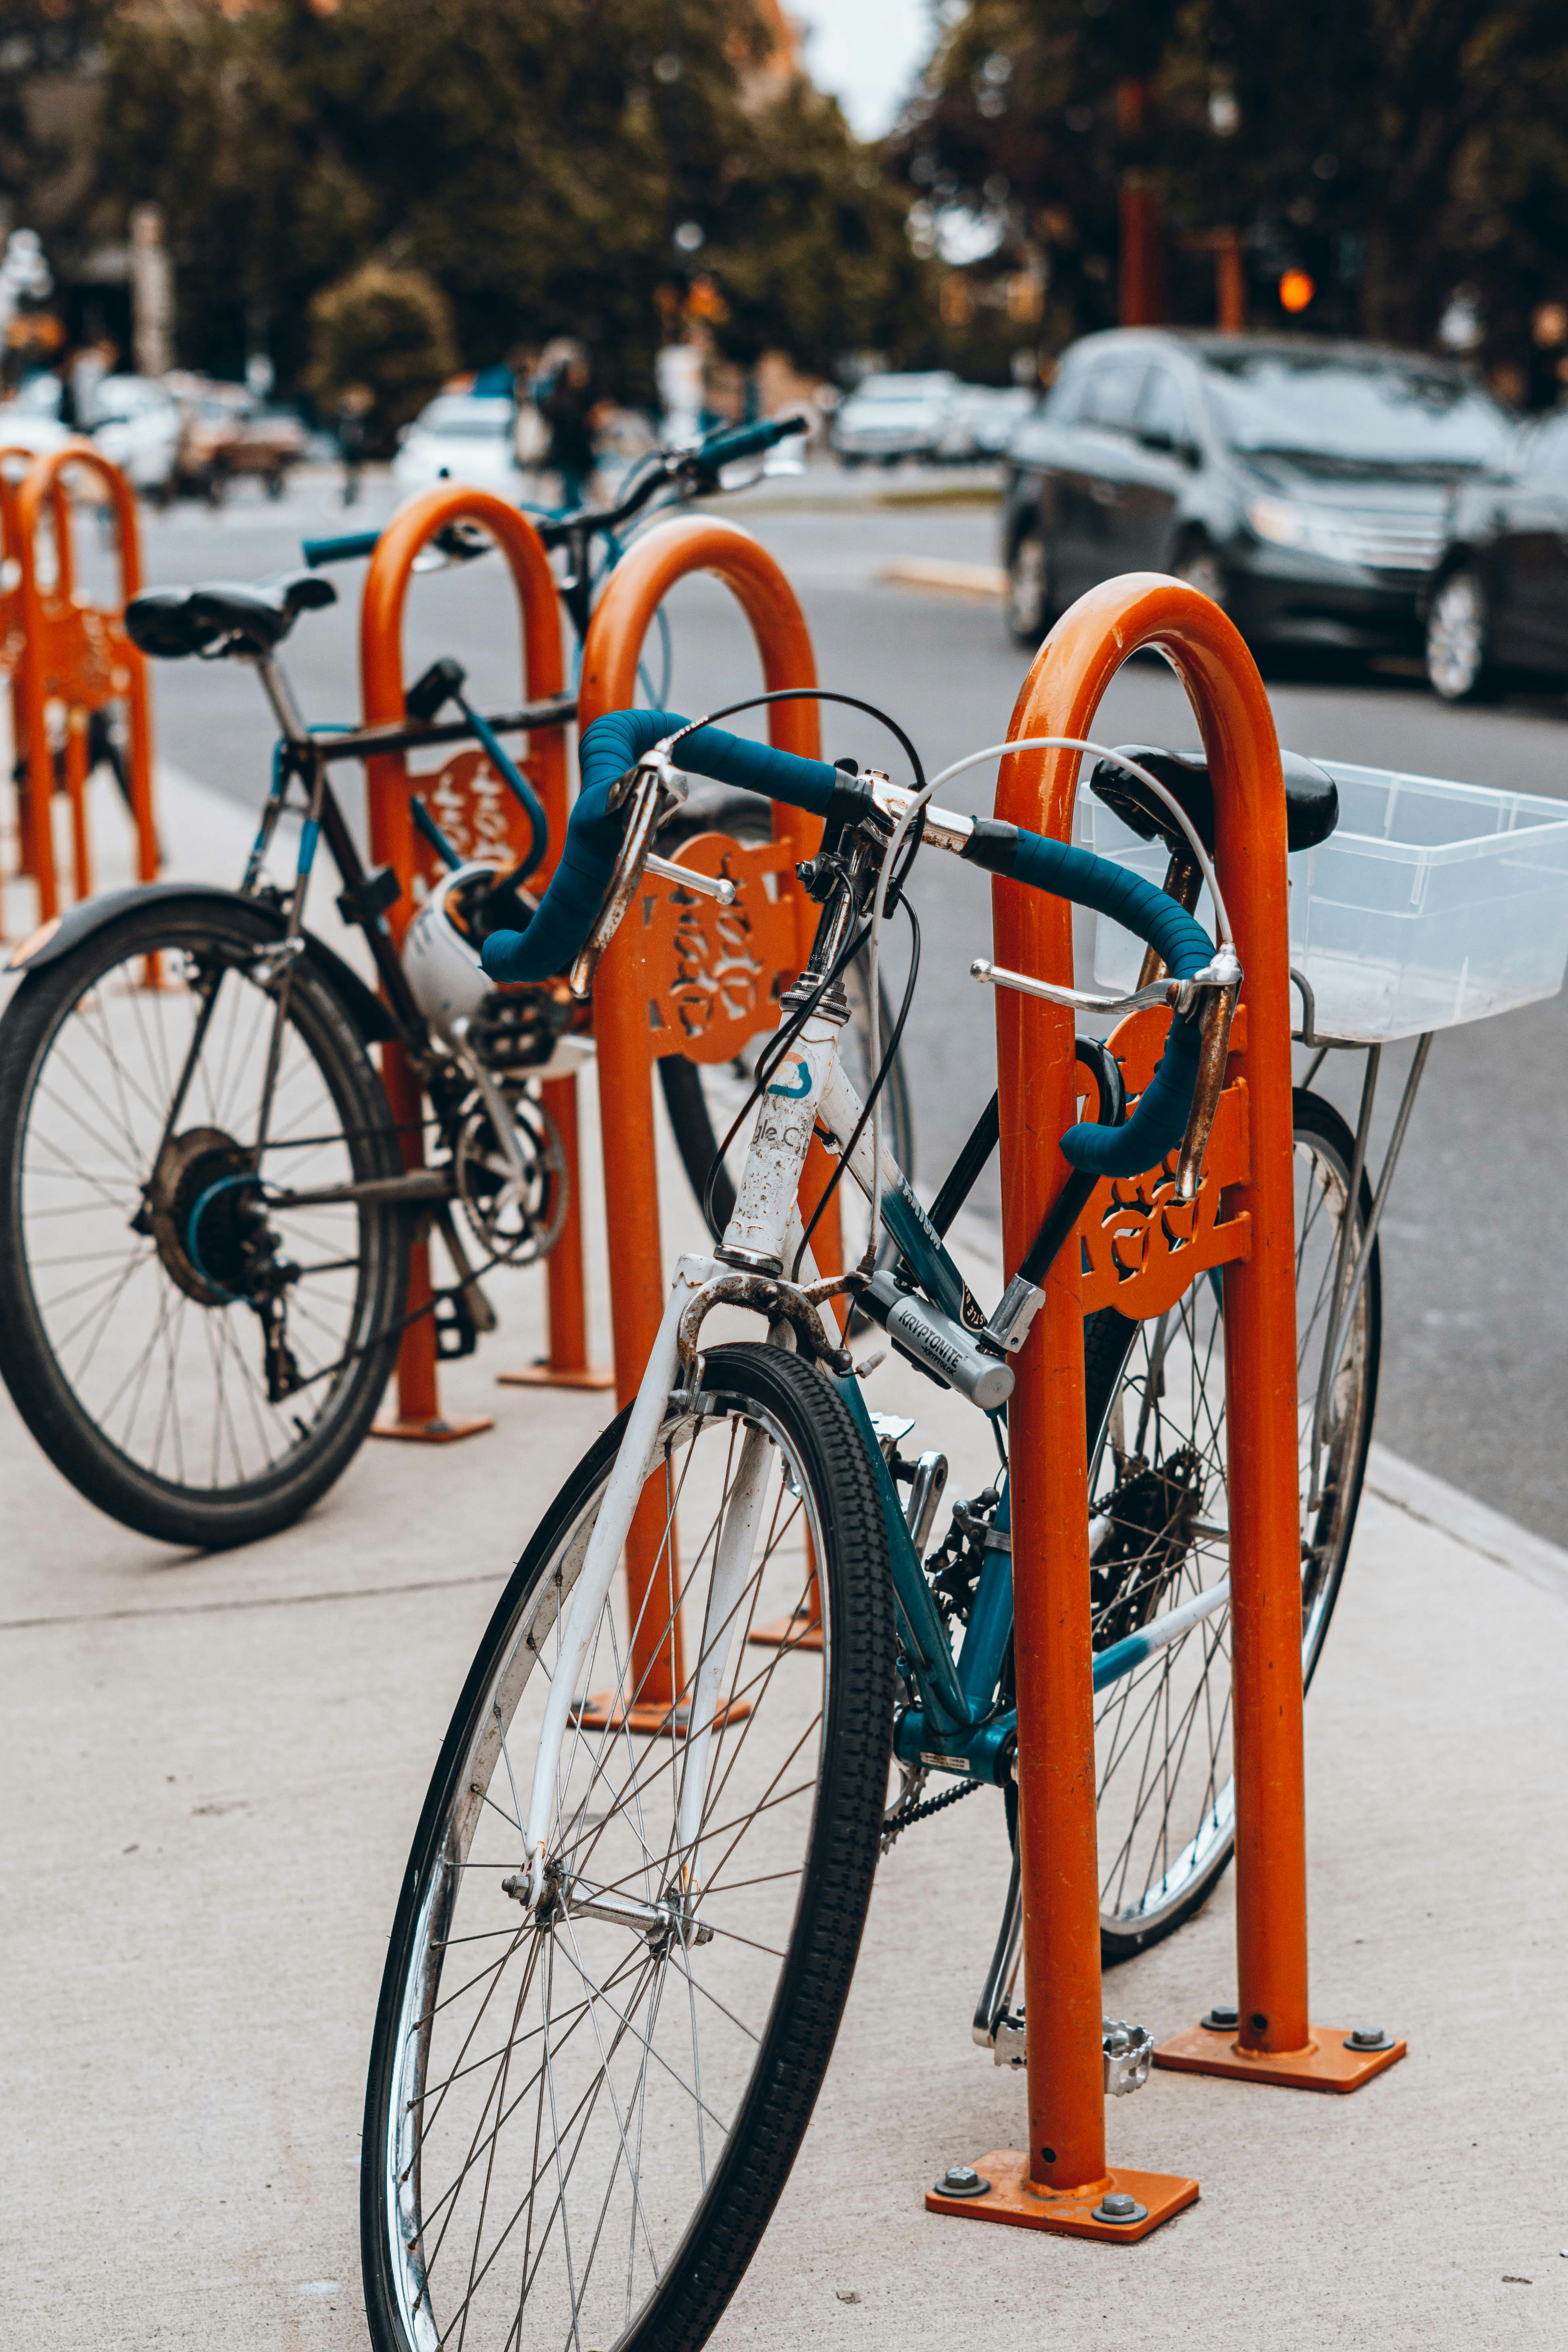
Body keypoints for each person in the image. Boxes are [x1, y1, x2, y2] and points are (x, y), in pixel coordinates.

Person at [537, 338, 598, 508]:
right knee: (573, 506)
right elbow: (572, 436)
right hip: (571, 461)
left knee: (573, 503)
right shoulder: (566, 402)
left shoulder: (565, 399)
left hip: (569, 461)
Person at [335, 384, 373, 507]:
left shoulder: (354, 419)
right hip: (350, 449)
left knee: (354, 472)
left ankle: (353, 491)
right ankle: (350, 491)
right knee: (351, 472)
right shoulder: (348, 418)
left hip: (354, 449)